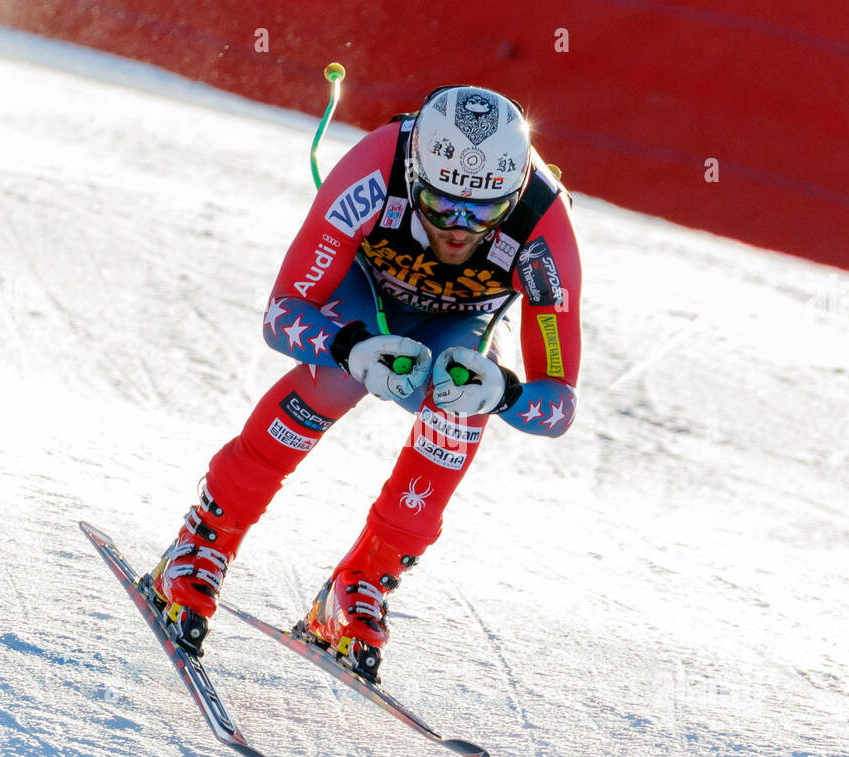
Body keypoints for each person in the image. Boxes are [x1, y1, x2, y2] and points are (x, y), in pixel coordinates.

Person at [147, 85, 582, 683]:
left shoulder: (544, 221)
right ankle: (203, 543)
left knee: (460, 402)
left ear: (514, 194)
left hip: (464, 321)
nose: (459, 228)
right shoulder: (375, 167)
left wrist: (504, 393)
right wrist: (348, 346)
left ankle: (360, 584)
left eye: (484, 211)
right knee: (336, 383)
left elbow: (559, 404)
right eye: (440, 203)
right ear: (413, 172)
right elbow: (282, 314)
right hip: (363, 293)